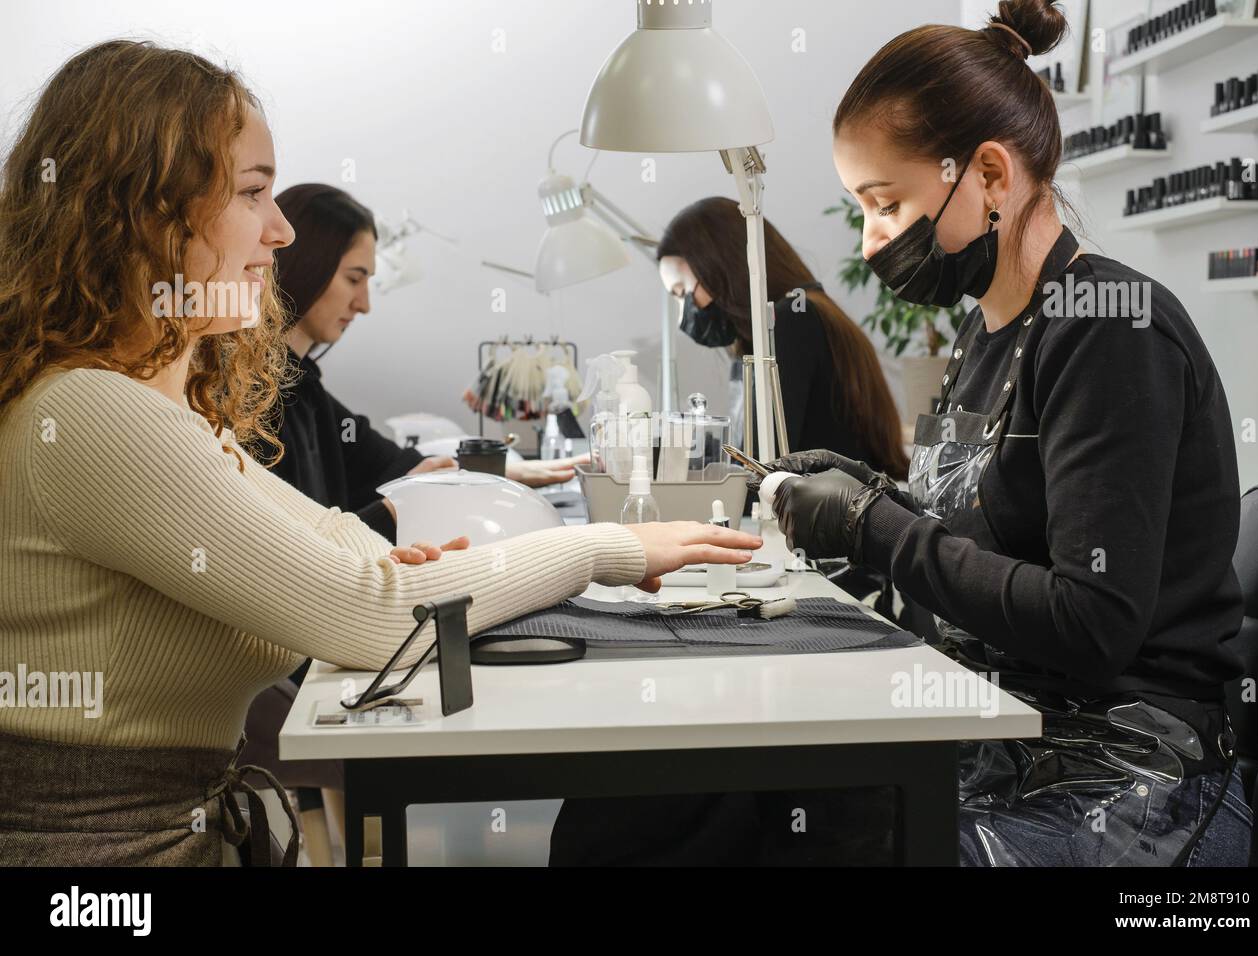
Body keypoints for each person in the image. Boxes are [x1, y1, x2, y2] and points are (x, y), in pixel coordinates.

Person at [0, 39, 761, 866]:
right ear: (145, 211)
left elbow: (341, 543)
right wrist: (609, 549)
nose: (281, 230)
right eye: (254, 192)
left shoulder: (151, 405)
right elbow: (372, 612)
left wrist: (397, 573)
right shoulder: (91, 413)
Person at [765, 0, 1252, 865]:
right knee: (753, 809)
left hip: (1133, 778)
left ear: (989, 174)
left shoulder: (1111, 328)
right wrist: (867, 491)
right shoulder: (985, 328)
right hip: (999, 731)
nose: (874, 239)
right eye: (862, 210)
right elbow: (979, 530)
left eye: (886, 203)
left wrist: (876, 526)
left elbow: (1091, 622)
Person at [261, 182, 582, 543]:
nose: (364, 304)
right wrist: (404, 504)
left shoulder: (304, 387)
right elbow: (301, 551)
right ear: (308, 264)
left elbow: (390, 463)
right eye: (354, 279)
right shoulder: (256, 397)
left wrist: (506, 472)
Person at [658, 197, 908, 479]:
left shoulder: (792, 321)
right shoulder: (776, 328)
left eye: (682, 292)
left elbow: (763, 472)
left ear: (718, 266)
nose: (684, 315)